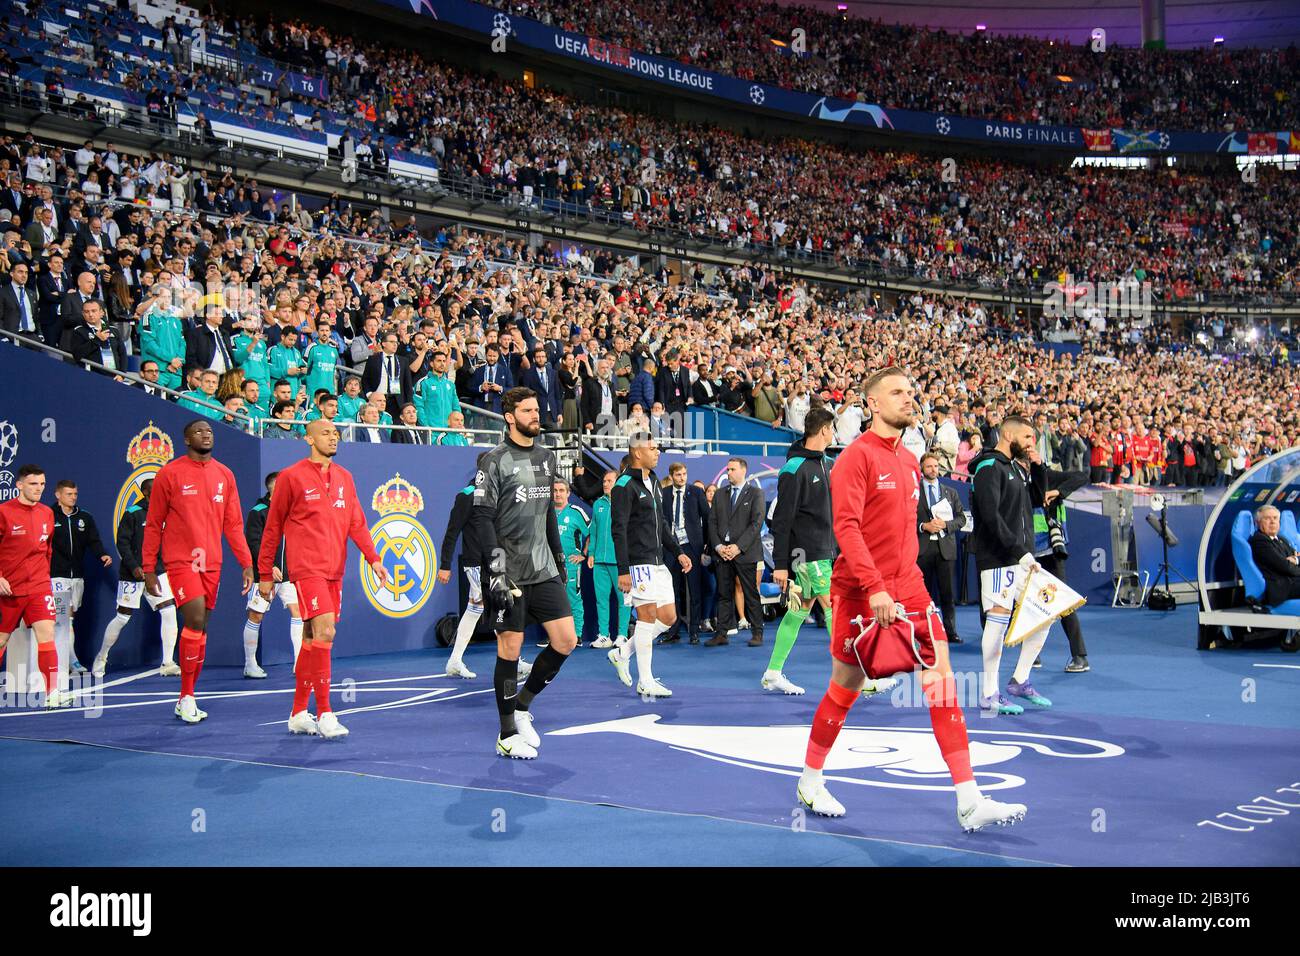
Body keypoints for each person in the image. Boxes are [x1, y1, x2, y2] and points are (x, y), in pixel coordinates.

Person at [794, 368, 1026, 833]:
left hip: (911, 586)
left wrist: (897, 584)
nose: (909, 398)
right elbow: (847, 529)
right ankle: (810, 778)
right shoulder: (855, 458)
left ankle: (968, 797)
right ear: (872, 404)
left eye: (910, 391)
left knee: (941, 682)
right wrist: (875, 586)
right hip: (861, 590)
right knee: (845, 688)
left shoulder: (909, 461)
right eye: (897, 392)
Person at [257, 420, 387, 739]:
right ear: (308, 438)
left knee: (312, 640)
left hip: (335, 570)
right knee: (326, 632)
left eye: (336, 433)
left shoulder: (345, 477)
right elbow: (272, 527)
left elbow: (356, 523)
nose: (333, 437)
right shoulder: (291, 477)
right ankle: (326, 712)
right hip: (306, 568)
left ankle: (298, 713)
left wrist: (374, 559)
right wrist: (264, 573)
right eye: (326, 433)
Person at [471, 387, 577, 759]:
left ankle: (522, 706)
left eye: (537, 409)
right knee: (510, 648)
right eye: (528, 410)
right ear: (510, 417)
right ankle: (505, 733)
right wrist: (496, 571)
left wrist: (560, 558)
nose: (536, 415)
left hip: (543, 567)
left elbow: (548, 511)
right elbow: (482, 518)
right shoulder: (493, 460)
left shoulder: (548, 458)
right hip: (508, 572)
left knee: (565, 640)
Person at [141, 420, 255, 724]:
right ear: (186, 438)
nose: (206, 434)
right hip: (181, 560)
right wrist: (149, 567)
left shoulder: (225, 474)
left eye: (210, 431)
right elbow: (154, 523)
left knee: (202, 627)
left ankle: (187, 695)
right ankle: (187, 697)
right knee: (193, 619)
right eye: (199, 431)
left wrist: (246, 562)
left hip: (212, 561)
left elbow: (233, 524)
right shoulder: (170, 473)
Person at [970, 416, 1048, 716]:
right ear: (1008, 434)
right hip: (1000, 558)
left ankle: (1020, 679)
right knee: (998, 621)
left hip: (1022, 557)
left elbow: (1038, 500)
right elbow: (991, 517)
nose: (1031, 443)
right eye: (1028, 437)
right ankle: (990, 692)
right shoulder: (988, 467)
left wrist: (1038, 467)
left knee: (1045, 614)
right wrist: (1018, 551)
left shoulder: (1016, 468)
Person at [607, 432, 690, 696]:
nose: (657, 453)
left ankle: (623, 653)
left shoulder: (653, 480)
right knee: (646, 617)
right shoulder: (622, 486)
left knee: (668, 618)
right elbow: (618, 530)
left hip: (658, 561)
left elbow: (662, 524)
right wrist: (623, 570)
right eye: (653, 449)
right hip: (638, 563)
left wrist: (677, 551)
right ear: (637, 452)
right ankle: (646, 680)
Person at [765, 408, 838, 694]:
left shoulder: (829, 464)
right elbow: (782, 520)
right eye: (831, 429)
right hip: (807, 554)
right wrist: (781, 565)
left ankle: (773, 671)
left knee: (799, 610)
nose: (833, 434)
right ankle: (856, 676)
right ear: (823, 430)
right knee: (833, 607)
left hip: (825, 550)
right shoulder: (793, 469)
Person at [94, 478, 180, 678]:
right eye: (156, 489)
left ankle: (167, 662)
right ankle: (102, 656)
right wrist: (134, 567)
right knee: (123, 617)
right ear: (146, 492)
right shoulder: (133, 513)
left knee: (169, 611)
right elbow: (122, 543)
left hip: (157, 572)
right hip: (132, 575)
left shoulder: (165, 512)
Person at [0, 464, 66, 707]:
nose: (38, 489)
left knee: (46, 634)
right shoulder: (4, 512)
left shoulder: (46, 513)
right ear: (19, 485)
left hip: (38, 586)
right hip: (9, 589)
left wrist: (44, 578)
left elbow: (46, 550)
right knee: (1, 641)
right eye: (33, 484)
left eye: (42, 484)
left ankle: (52, 693)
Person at [49, 479, 111, 681]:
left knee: (70, 618)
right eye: (69, 494)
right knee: (63, 619)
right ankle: (70, 661)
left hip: (77, 576)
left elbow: (94, 540)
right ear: (58, 495)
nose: (73, 497)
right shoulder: (48, 516)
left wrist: (101, 554)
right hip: (56, 575)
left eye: (75, 494)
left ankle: (65, 661)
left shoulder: (84, 517)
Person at [242, 471, 303, 678]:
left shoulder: (291, 510)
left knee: (298, 612)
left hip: (289, 573)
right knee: (256, 615)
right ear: (272, 489)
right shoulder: (258, 512)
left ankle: (300, 663)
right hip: (265, 574)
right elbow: (253, 542)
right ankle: (250, 664)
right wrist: (269, 567)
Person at [1031, 466, 1091, 672]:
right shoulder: (1015, 478)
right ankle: (1032, 655)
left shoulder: (1048, 476)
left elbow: (1082, 475)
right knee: (1028, 604)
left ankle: (1080, 656)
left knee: (1064, 605)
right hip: (1027, 554)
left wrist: (1057, 492)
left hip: (1051, 552)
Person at [705, 458, 765, 646]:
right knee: (723, 594)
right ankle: (722, 634)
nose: (728, 472)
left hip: (745, 553)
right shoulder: (720, 494)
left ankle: (757, 633)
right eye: (728, 469)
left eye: (732, 469)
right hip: (722, 554)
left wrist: (738, 547)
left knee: (751, 593)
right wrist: (718, 547)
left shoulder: (756, 493)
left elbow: (756, 524)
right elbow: (712, 523)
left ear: (743, 471)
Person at [916, 452, 966, 644]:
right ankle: (924, 631)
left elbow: (961, 519)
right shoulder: (915, 491)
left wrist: (947, 525)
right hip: (923, 548)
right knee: (923, 594)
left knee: (948, 594)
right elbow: (906, 518)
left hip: (946, 548)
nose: (933, 470)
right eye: (929, 466)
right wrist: (924, 526)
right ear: (922, 468)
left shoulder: (950, 492)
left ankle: (950, 630)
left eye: (936, 466)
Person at [661, 462, 708, 644]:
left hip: (692, 546)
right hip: (671, 547)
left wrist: (705, 544)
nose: (682, 478)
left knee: (695, 590)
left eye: (684, 474)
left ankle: (694, 631)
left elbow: (707, 517)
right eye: (678, 475)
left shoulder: (696, 493)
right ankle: (673, 631)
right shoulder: (664, 494)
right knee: (672, 591)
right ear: (671, 476)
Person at [586, 469, 629, 650]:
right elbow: (594, 531)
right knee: (601, 600)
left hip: (620, 562)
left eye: (609, 481)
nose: (605, 484)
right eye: (604, 481)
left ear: (617, 483)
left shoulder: (626, 503)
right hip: (600, 562)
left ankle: (622, 635)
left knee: (624, 600)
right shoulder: (597, 504)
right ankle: (604, 636)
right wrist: (591, 554)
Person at [552, 479, 589, 646]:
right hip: (549, 565)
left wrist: (583, 554)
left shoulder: (576, 511)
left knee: (573, 599)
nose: (558, 494)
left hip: (571, 565)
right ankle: (554, 636)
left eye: (561, 490)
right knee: (551, 601)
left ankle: (577, 635)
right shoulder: (546, 512)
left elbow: (591, 532)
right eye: (555, 490)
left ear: (568, 493)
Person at [1248, 505, 1300, 605]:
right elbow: (1285, 566)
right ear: (1258, 523)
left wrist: (1295, 560)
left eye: (1275, 518)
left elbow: (1294, 560)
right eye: (1267, 518)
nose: (1272, 522)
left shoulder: (1282, 539)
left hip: (1293, 581)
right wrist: (1291, 562)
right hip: (1282, 589)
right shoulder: (1259, 541)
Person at [413, 349, 461, 428]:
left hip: (448, 431)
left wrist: (458, 424)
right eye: (439, 361)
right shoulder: (423, 383)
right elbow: (418, 406)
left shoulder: (450, 384)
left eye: (444, 361)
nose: (442, 364)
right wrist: (426, 426)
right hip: (431, 430)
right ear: (431, 363)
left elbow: (456, 406)